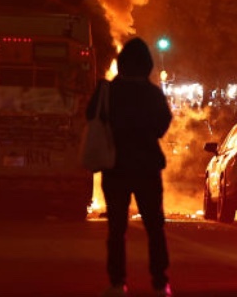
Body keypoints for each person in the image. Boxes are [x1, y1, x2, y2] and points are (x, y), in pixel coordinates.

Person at [88, 37, 172, 297]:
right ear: (147, 65)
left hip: (116, 167)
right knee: (154, 228)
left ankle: (117, 282)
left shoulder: (107, 90)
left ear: (121, 64)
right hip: (147, 167)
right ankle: (159, 282)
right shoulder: (153, 94)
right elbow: (161, 126)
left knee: (116, 229)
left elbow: (91, 117)